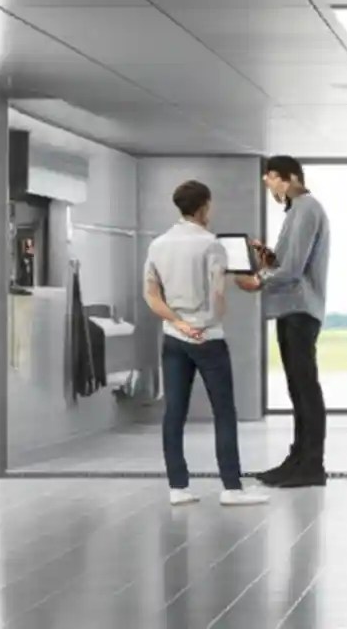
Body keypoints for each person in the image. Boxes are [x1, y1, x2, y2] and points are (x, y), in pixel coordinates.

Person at [143, 180, 268, 507]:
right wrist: (262, 268)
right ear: (203, 208)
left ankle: (178, 488)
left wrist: (180, 323)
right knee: (224, 412)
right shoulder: (214, 245)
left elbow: (151, 295)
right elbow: (225, 292)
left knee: (174, 413)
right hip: (209, 339)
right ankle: (231, 488)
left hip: (174, 338)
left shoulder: (158, 245)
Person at [235, 156, 329, 488]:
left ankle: (311, 465)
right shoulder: (297, 211)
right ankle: (298, 460)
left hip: (301, 311)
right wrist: (269, 256)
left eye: (272, 179)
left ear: (289, 178)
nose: (270, 186)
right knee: (297, 389)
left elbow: (292, 270)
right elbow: (288, 262)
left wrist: (259, 279)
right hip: (293, 310)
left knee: (305, 389)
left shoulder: (305, 209)